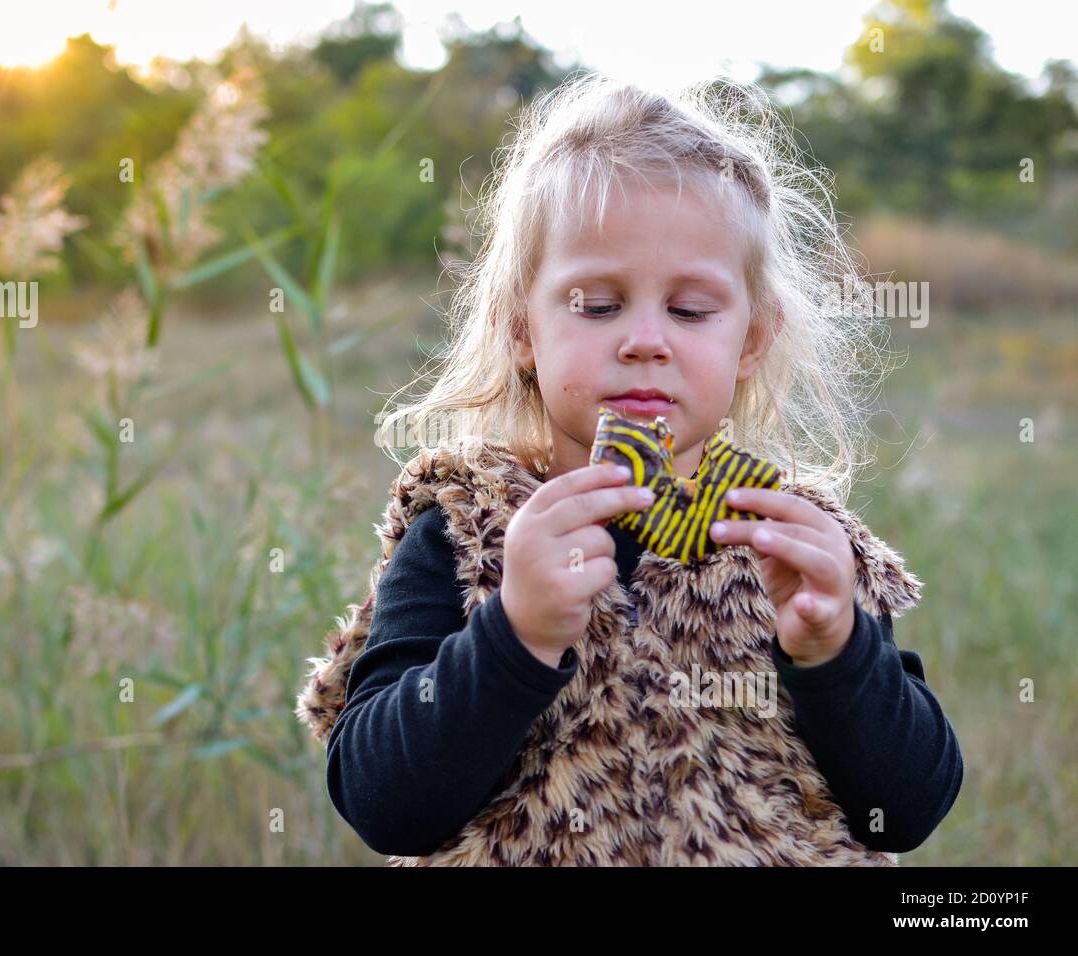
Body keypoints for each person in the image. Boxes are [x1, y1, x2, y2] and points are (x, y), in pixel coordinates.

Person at [295, 72, 963, 865]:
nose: (646, 339)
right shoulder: (469, 530)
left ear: (750, 341)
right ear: (521, 328)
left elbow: (910, 809)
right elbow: (383, 803)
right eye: (598, 304)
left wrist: (837, 649)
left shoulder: (794, 545)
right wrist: (516, 633)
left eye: (689, 310)